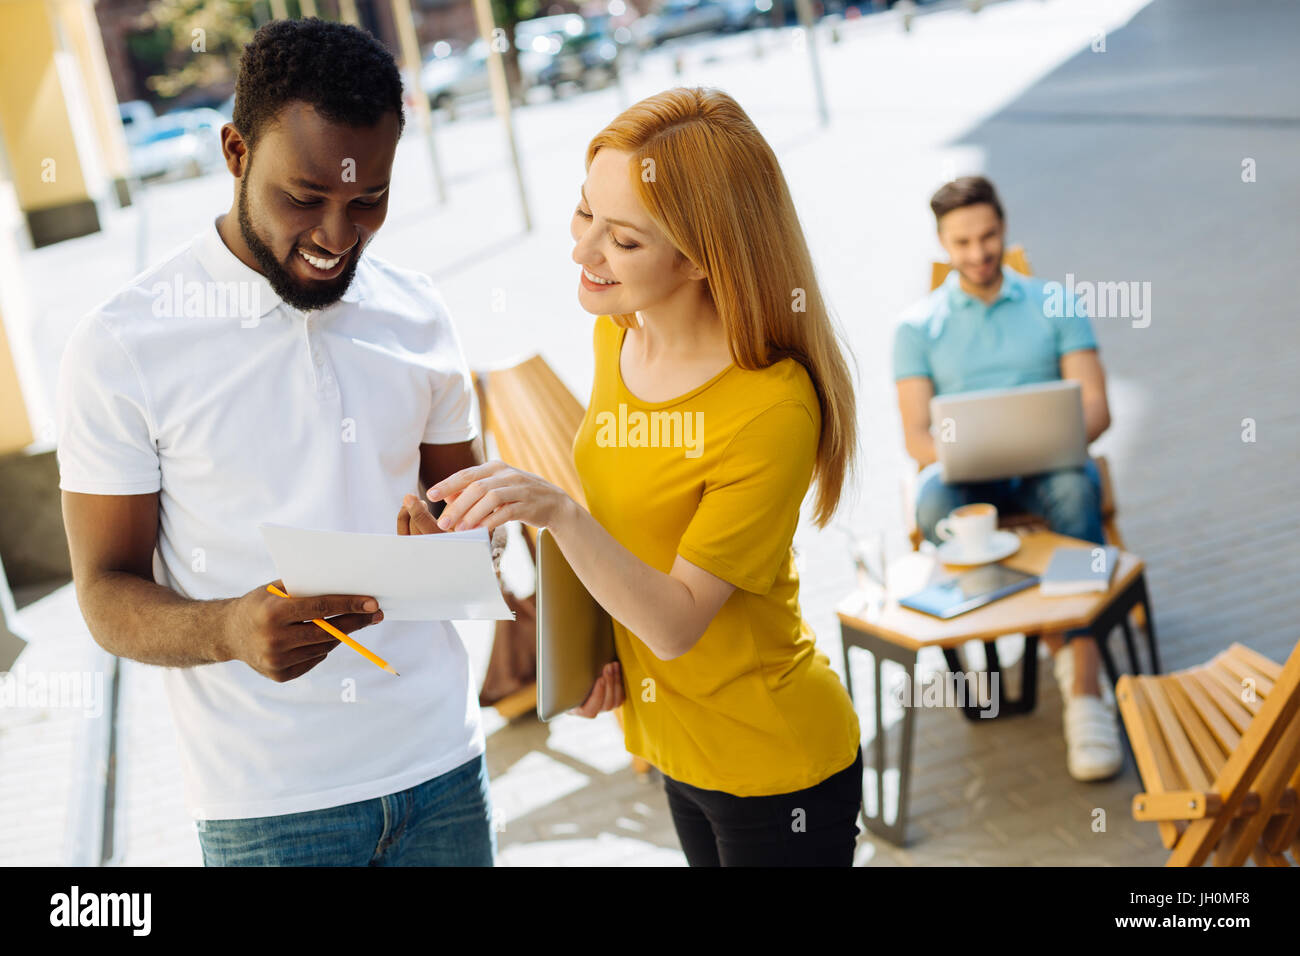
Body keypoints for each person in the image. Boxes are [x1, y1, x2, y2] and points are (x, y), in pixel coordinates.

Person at [55, 19, 504, 866]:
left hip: (444, 764)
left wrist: (470, 546)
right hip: (268, 807)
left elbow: (478, 534)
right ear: (234, 152)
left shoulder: (419, 313)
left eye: (368, 198)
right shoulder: (122, 345)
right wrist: (227, 628)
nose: (338, 236)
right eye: (304, 197)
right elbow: (104, 594)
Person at [400, 87, 864, 866]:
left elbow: (678, 621)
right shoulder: (618, 338)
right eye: (585, 214)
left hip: (774, 766)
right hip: (669, 743)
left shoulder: (770, 409)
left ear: (699, 259)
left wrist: (559, 512)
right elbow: (634, 539)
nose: (582, 252)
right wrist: (589, 652)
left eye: (622, 240)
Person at [892, 175, 1122, 781]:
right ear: (942, 243)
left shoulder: (1056, 303)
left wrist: (1053, 437)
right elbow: (917, 436)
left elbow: (1098, 408)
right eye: (961, 242)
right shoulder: (916, 327)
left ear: (1004, 227)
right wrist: (960, 451)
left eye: (988, 235)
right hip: (968, 478)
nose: (977, 253)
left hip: (1050, 467)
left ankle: (1083, 689)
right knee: (932, 497)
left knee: (1075, 487)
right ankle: (1010, 641)